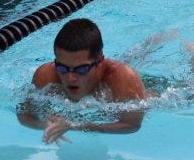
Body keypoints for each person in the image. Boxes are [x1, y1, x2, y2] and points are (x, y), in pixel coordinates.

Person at [17, 18, 150, 144]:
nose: (70, 78)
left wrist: (74, 125)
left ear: (100, 62)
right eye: (62, 68)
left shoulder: (124, 79)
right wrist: (44, 124)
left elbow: (132, 124)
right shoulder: (46, 75)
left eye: (81, 69)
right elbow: (24, 114)